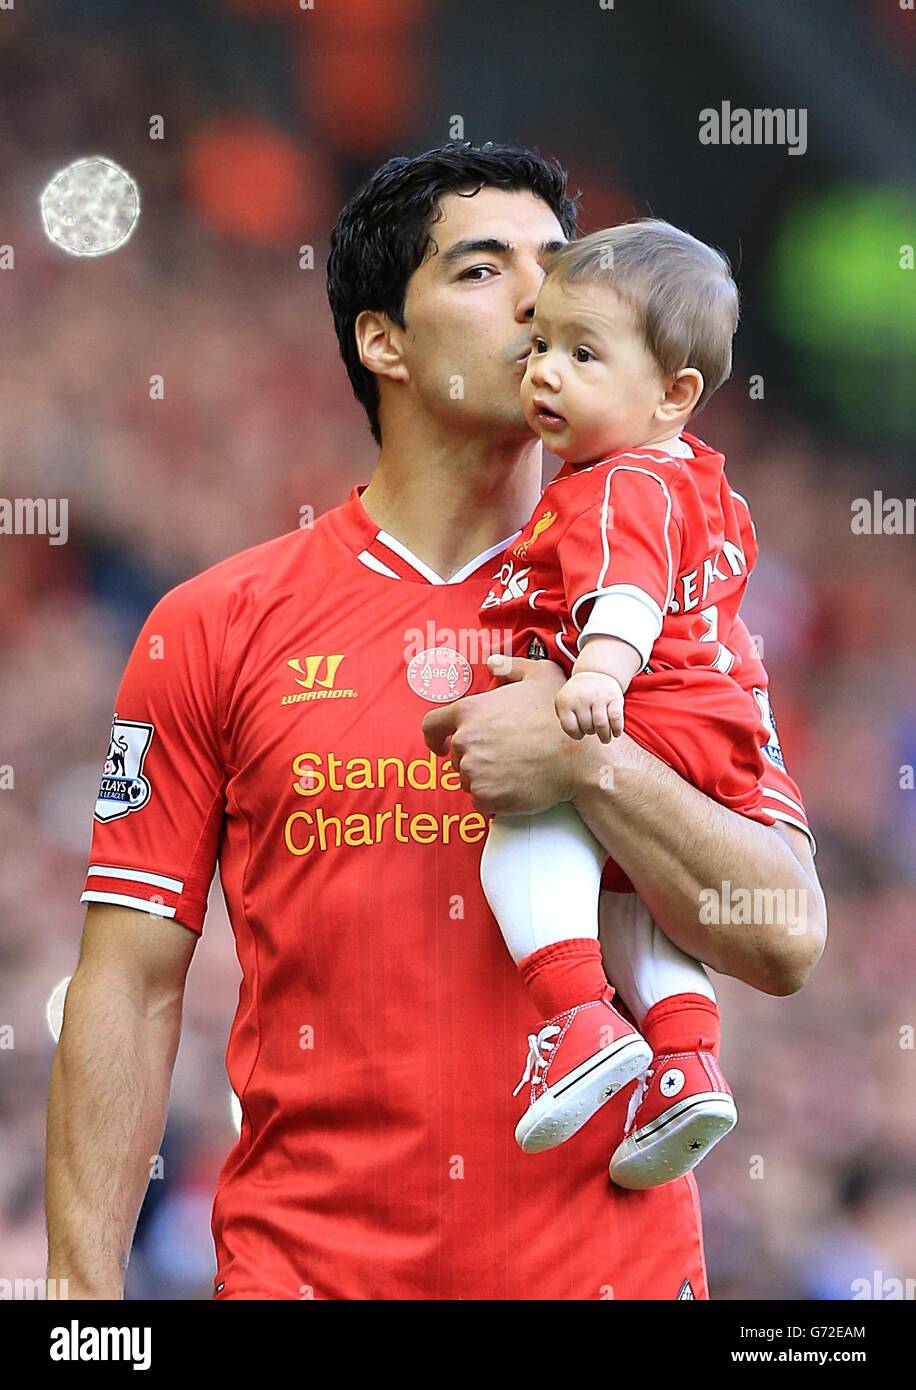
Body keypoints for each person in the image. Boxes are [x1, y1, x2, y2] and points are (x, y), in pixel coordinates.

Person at [47, 142, 825, 1301]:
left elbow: (784, 936)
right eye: (480, 270)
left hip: (606, 1275)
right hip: (307, 1273)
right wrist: (79, 1298)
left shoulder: (663, 596)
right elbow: (131, 983)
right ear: (382, 341)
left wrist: (586, 759)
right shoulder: (213, 625)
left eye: (554, 266)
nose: (534, 297)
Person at [477, 220, 798, 1189]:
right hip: (714, 726)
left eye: (582, 354)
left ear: (673, 393)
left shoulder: (609, 487)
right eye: (539, 347)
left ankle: (577, 1016)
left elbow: (623, 594)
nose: (545, 372)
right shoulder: (699, 477)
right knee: (641, 897)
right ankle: (686, 1061)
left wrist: (597, 680)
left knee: (526, 826)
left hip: (638, 702)